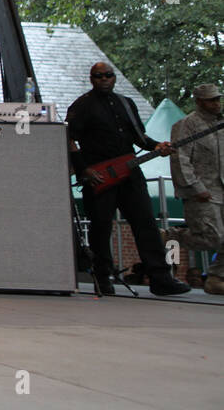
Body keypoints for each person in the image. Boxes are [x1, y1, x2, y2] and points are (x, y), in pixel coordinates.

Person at [67, 62, 190, 296]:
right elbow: (68, 138)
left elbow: (139, 137)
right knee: (101, 227)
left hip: (130, 171)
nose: (104, 79)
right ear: (91, 79)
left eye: (108, 75)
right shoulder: (82, 106)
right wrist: (84, 170)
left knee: (145, 222)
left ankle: (160, 278)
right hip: (99, 174)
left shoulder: (126, 103)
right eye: (98, 76)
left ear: (114, 78)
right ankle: (102, 278)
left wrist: (157, 146)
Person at [168, 82, 224, 295]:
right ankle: (172, 237)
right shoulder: (187, 125)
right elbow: (179, 158)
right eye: (211, 100)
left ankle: (217, 278)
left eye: (217, 98)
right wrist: (193, 187)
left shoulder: (220, 125)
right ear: (199, 101)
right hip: (201, 190)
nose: (216, 103)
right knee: (213, 237)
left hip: (221, 188)